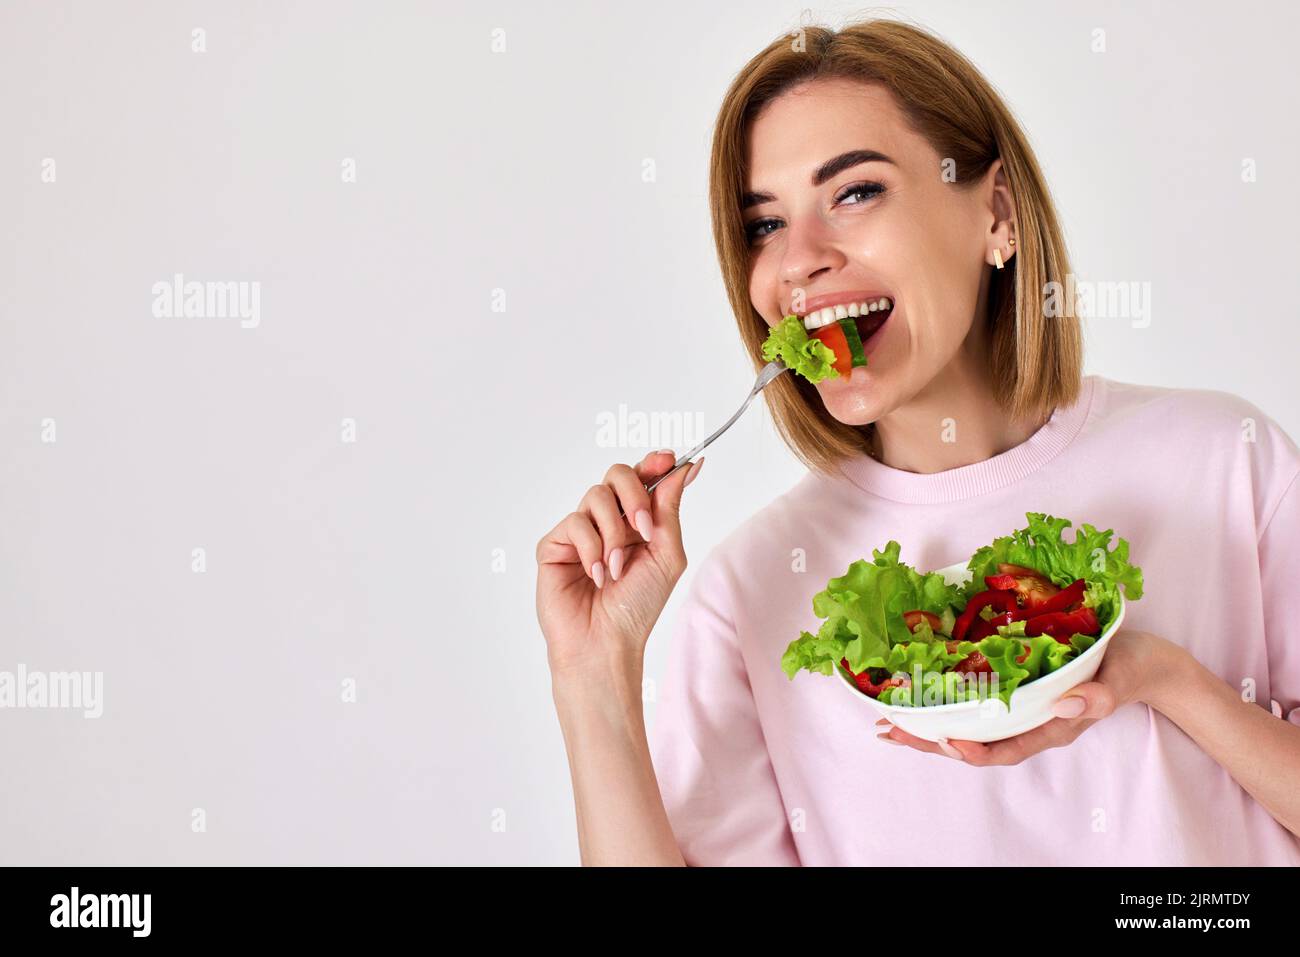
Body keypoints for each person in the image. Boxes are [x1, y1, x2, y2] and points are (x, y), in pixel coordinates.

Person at [534, 18, 1300, 865]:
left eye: (855, 192)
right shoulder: (751, 593)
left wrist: (1167, 680)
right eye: (764, 225)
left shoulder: (1224, 459)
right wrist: (593, 677)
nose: (799, 262)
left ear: (997, 214)